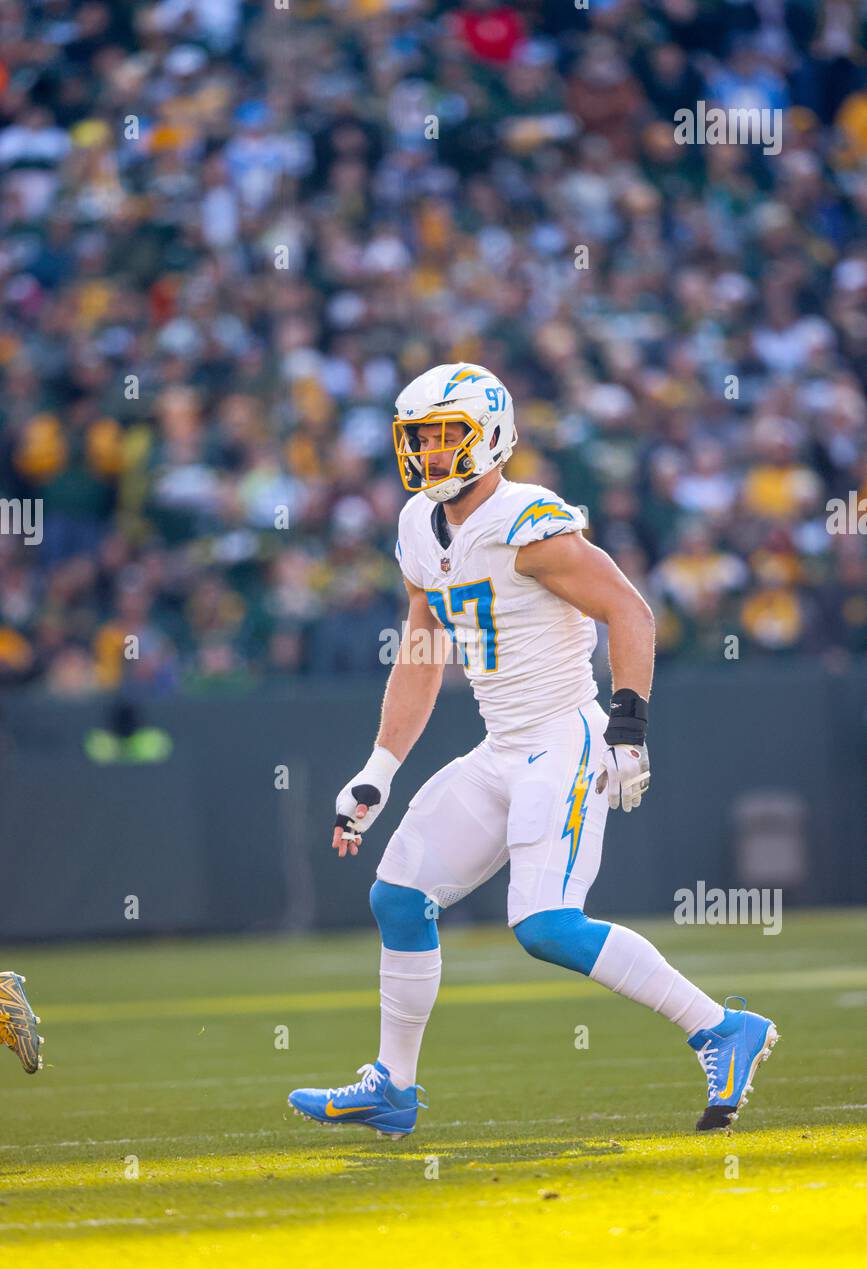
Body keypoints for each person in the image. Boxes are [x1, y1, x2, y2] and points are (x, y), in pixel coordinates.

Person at [289, 363, 777, 1138]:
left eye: (446, 436)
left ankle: (721, 1028)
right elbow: (421, 649)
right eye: (420, 437)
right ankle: (393, 1086)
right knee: (398, 896)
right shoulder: (420, 525)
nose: (429, 453)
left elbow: (630, 610)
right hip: (502, 745)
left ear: (490, 436)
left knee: (546, 925)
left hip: (562, 738)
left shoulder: (528, 520)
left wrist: (626, 729)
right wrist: (377, 770)